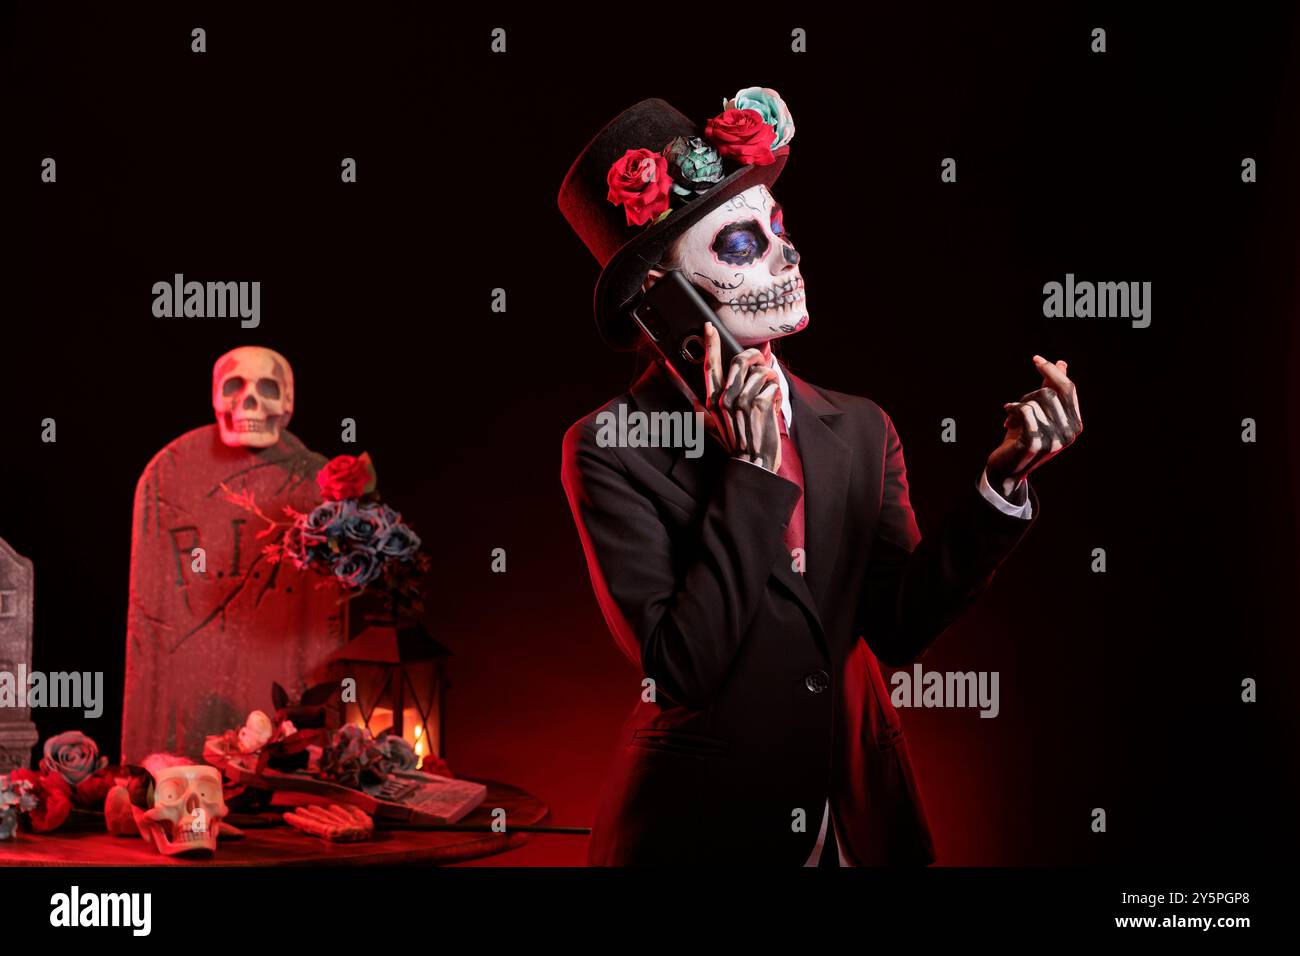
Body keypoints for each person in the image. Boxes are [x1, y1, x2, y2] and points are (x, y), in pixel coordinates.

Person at [557, 91, 1082, 865]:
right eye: (741, 243)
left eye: (780, 230)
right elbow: (685, 666)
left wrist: (999, 490)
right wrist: (750, 470)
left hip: (859, 817)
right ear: (662, 298)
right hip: (702, 831)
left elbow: (897, 624)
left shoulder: (861, 426)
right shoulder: (609, 447)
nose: (786, 255)